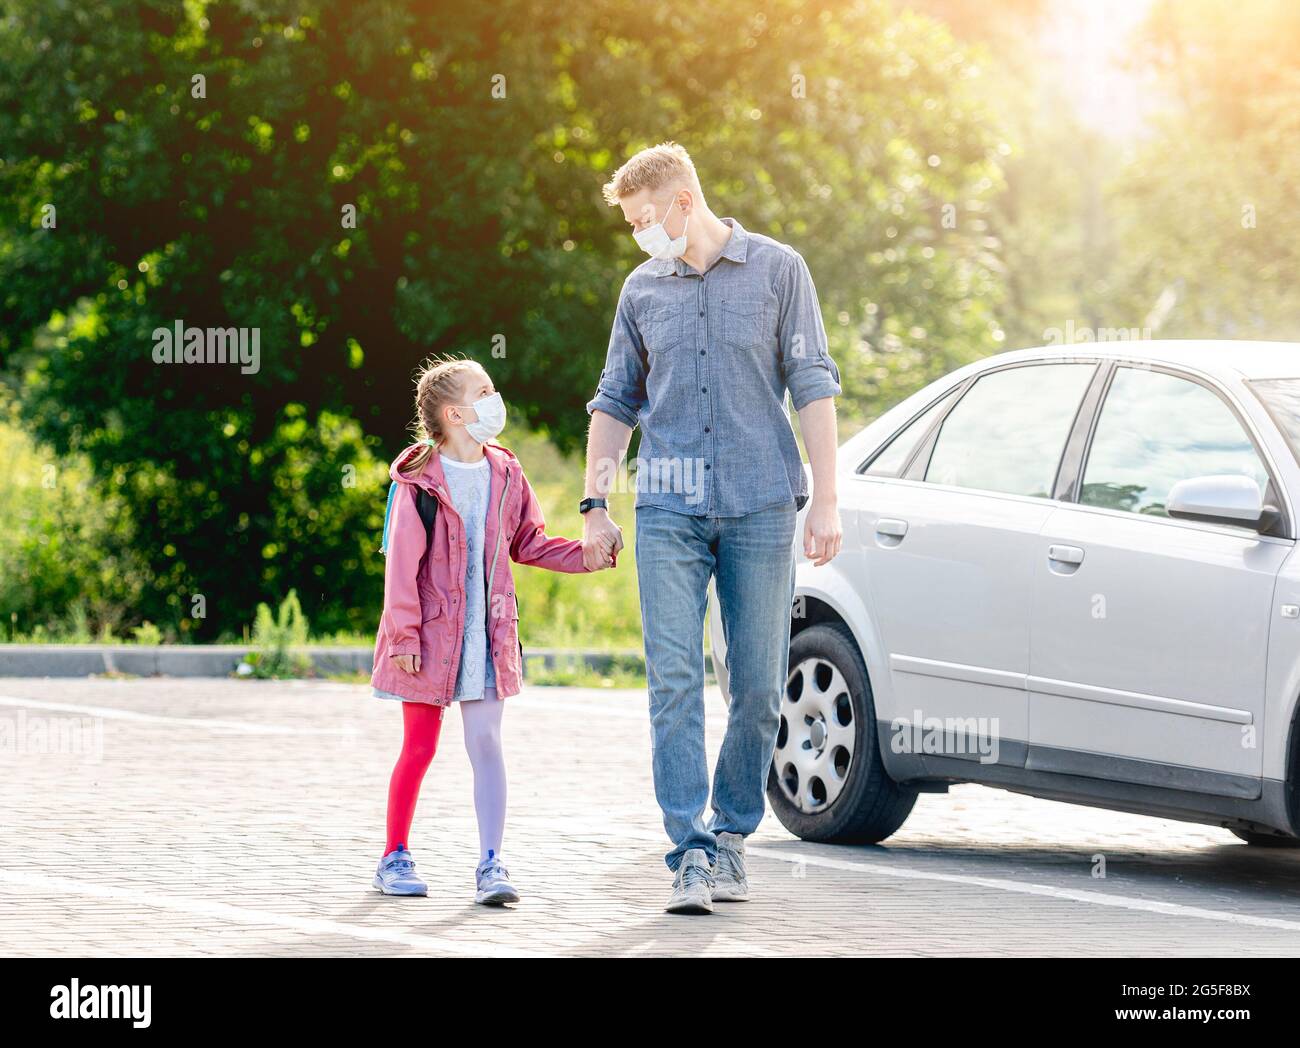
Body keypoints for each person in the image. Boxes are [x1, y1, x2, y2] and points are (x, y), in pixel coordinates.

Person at [582, 142, 843, 914]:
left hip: (763, 503)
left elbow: (814, 386)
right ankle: (689, 851)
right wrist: (595, 505)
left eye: (642, 219)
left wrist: (826, 499)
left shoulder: (779, 271)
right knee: (672, 679)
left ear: (682, 203)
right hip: (666, 505)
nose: (638, 234)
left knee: (760, 687)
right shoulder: (641, 289)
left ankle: (731, 836)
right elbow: (613, 403)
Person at [370, 356, 615, 905]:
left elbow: (529, 542)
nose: (494, 398)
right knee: (419, 747)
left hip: (489, 637)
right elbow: (401, 569)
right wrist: (404, 637)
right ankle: (394, 856)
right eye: (485, 391)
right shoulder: (417, 484)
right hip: (429, 641)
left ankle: (491, 864)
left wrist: (586, 557)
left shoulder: (506, 472)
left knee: (486, 744)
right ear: (456, 412)